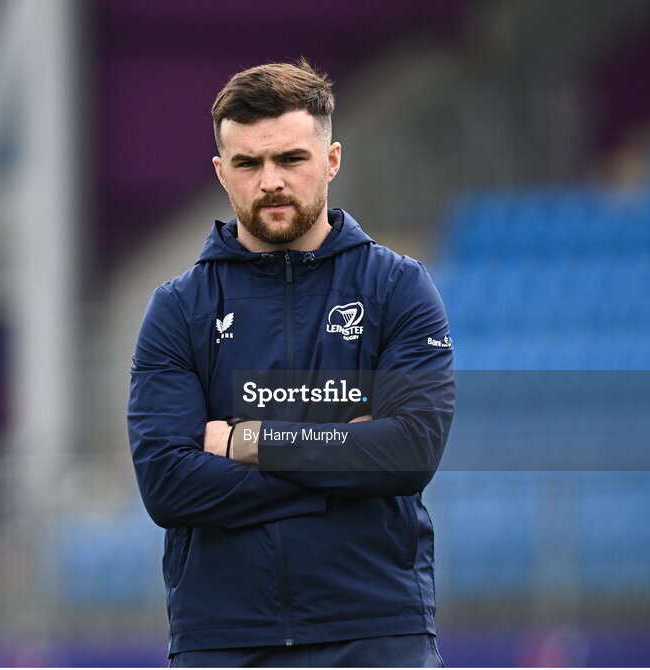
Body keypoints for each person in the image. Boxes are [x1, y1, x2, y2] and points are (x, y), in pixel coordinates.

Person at [127, 59, 455, 667]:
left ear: (330, 161)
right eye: (249, 164)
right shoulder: (178, 309)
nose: (270, 180)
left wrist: (250, 441)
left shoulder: (398, 289)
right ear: (222, 173)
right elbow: (168, 486)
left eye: (291, 160)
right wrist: (343, 465)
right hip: (223, 640)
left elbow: (409, 453)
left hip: (377, 633)